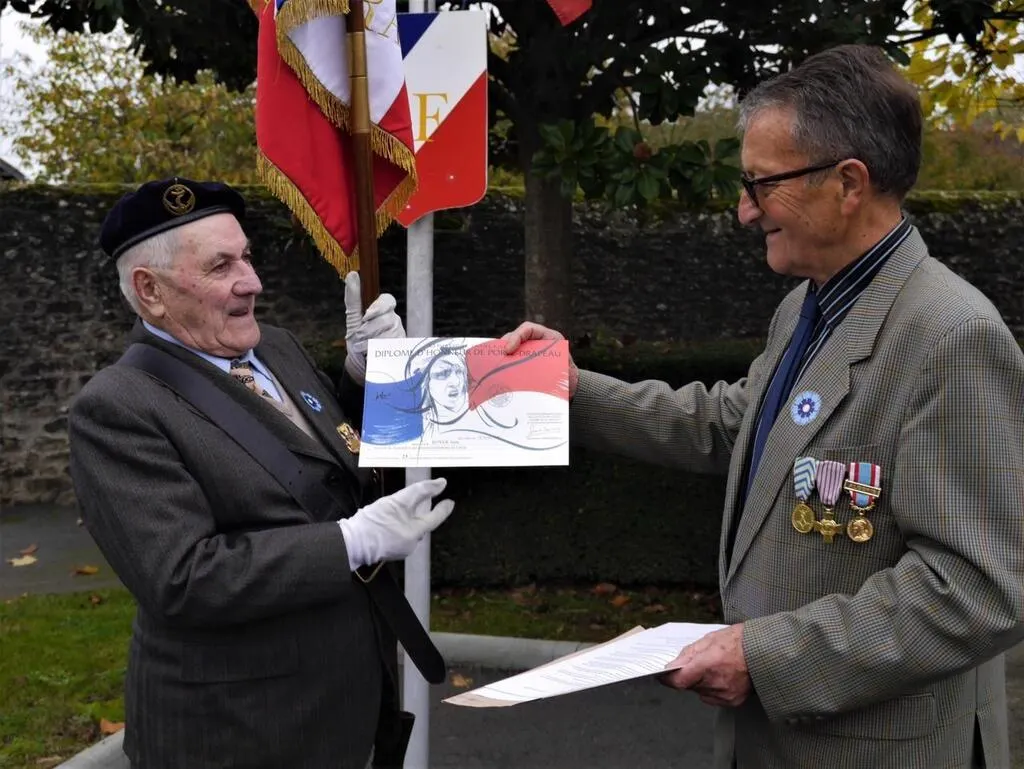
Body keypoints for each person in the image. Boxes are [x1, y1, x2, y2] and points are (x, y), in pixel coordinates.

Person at [502, 44, 1024, 769]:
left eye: (761, 184)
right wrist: (571, 386)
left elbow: (976, 586)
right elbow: (734, 422)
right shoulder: (809, 307)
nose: (745, 211)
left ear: (848, 183)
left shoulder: (951, 335)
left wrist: (766, 654)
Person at [68, 177, 455, 769]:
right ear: (150, 291)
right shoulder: (118, 405)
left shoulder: (273, 346)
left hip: (342, 704)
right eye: (221, 266)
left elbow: (322, 466)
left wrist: (367, 375)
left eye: (246, 256)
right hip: (238, 730)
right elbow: (182, 579)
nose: (252, 281)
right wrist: (351, 542)